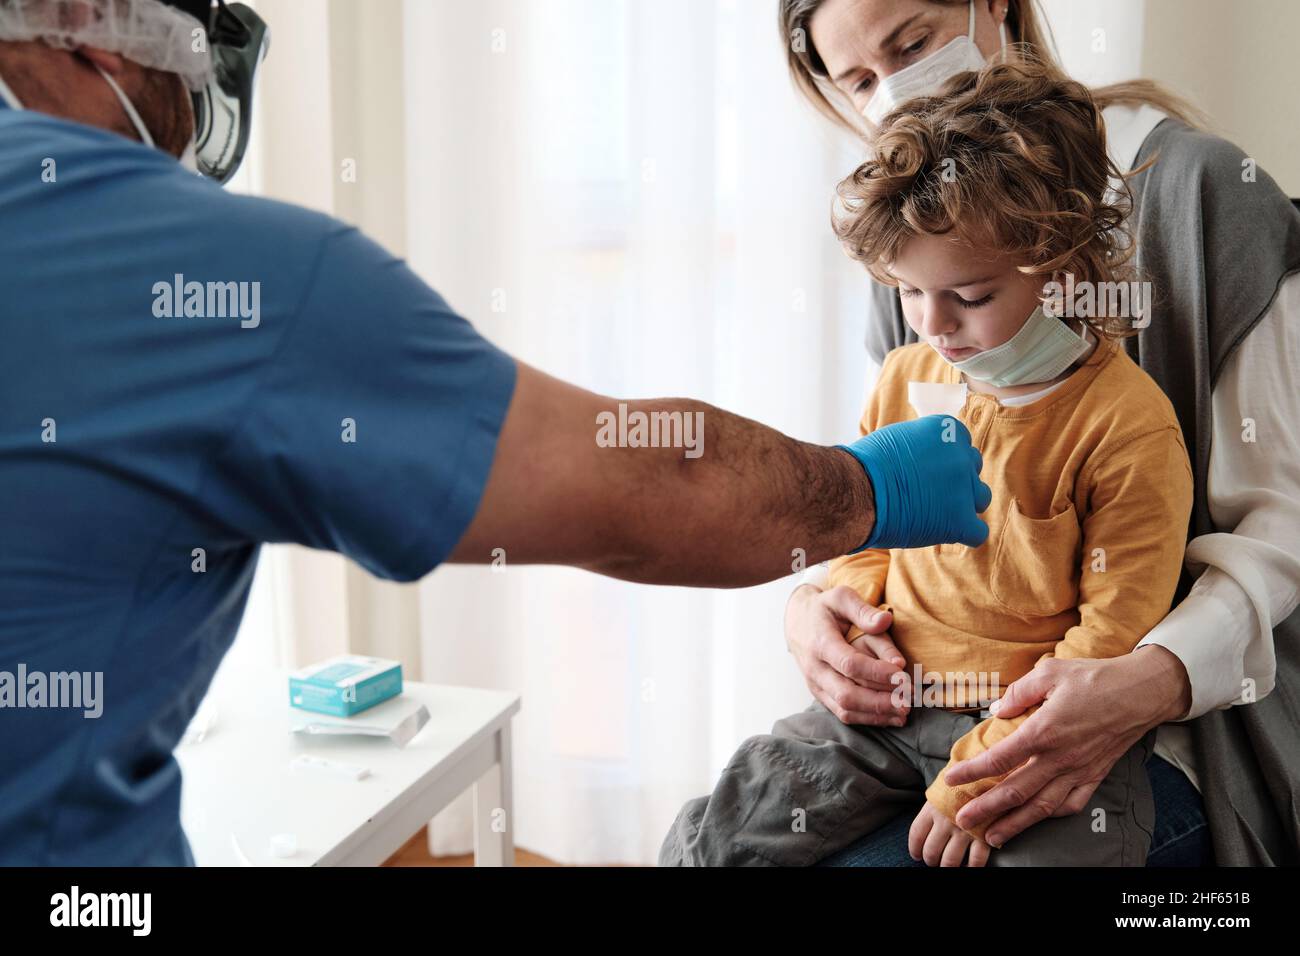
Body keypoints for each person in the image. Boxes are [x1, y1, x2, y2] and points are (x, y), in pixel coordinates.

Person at [0, 0, 991, 865]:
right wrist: (870, 495)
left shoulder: (1144, 182)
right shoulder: (219, 276)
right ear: (95, 23)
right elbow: (660, 486)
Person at [778, 0, 1300, 865]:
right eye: (860, 80)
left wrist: (1146, 680)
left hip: (1179, 722)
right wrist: (812, 614)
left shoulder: (1203, 194)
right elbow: (883, 493)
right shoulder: (914, 232)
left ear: (997, 7)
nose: (895, 91)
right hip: (931, 698)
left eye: (912, 43)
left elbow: (1284, 521)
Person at [662, 60, 1194, 866]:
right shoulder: (910, 375)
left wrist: (987, 767)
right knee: (721, 832)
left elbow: (1112, 636)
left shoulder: (1126, 425)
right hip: (888, 705)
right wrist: (854, 620)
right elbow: (864, 527)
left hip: (1037, 721)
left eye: (970, 297)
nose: (934, 325)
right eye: (910, 294)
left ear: (1068, 264)